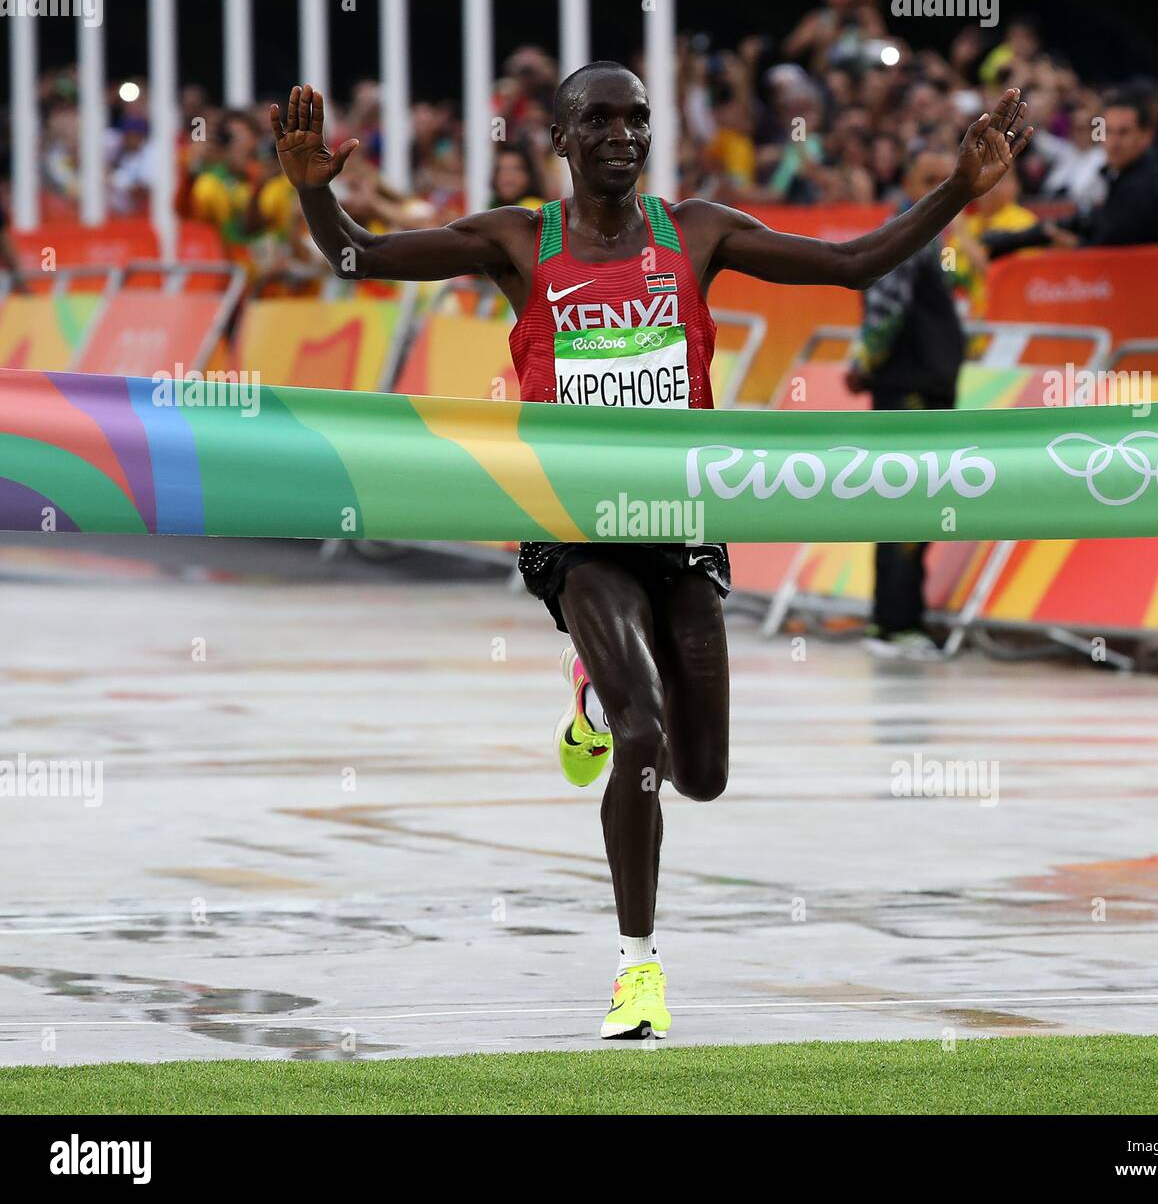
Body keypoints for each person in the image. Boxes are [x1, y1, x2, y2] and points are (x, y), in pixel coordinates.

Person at [271, 64, 1031, 1040]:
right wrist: (312, 194)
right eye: (598, 119)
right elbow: (359, 259)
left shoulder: (696, 232)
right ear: (558, 137)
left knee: (700, 772)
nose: (622, 134)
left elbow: (850, 264)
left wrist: (958, 195)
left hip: (677, 522)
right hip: (573, 530)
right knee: (641, 732)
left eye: (636, 119)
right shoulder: (518, 239)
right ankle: (637, 970)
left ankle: (592, 691)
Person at [845, 145, 967, 658]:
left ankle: (898, 619)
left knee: (913, 502)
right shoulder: (909, 235)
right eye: (930, 178)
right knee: (908, 501)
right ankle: (896, 623)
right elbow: (885, 310)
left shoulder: (935, 239)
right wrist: (863, 364)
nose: (941, 187)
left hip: (925, 383)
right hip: (909, 386)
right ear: (908, 182)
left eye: (948, 177)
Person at [985, 88, 1158, 256]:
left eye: (1124, 132)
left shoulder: (1147, 184)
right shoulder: (1121, 176)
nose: (1114, 142)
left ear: (1146, 136)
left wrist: (1075, 246)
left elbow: (1111, 253)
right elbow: (1087, 222)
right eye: (1108, 132)